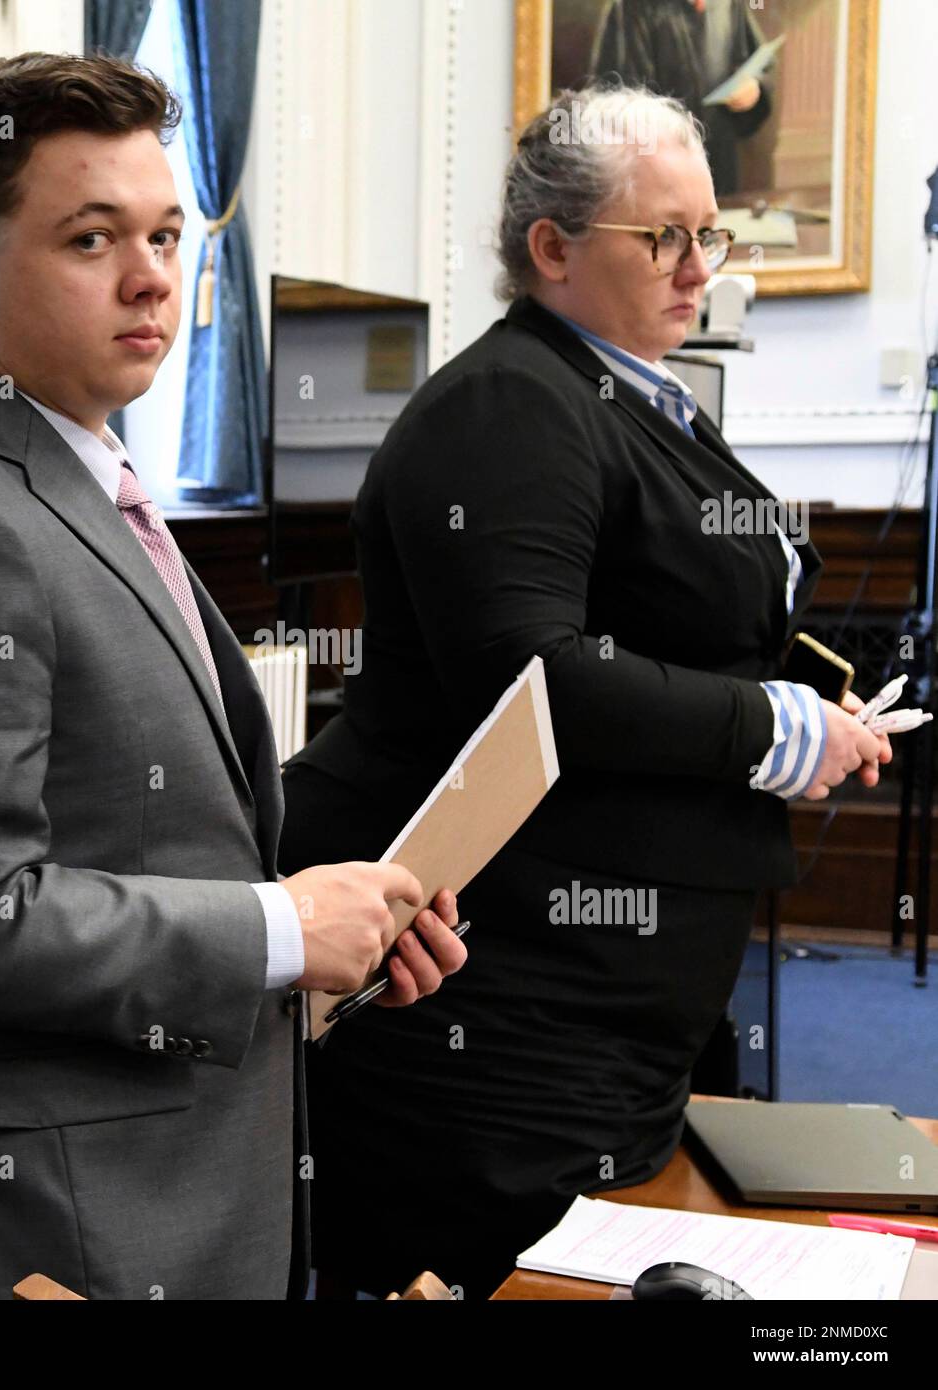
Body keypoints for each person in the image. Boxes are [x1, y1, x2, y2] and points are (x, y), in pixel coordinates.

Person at [0, 50, 465, 1301]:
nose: (154, 274)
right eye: (93, 239)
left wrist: (341, 928)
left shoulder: (84, 479)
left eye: (163, 232)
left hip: (181, 1179)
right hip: (54, 1233)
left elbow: (155, 839)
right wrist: (276, 928)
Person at [277, 84, 890, 1301]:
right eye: (660, 236)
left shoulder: (629, 389)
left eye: (711, 233)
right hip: (506, 998)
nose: (696, 265)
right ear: (550, 249)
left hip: (614, 996)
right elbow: (534, 673)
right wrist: (772, 727)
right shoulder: (511, 401)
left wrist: (804, 706)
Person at [590, 0, 774, 196]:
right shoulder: (630, 7)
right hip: (658, 165)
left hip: (720, 156)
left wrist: (753, 86)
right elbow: (620, 100)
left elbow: (755, 62)